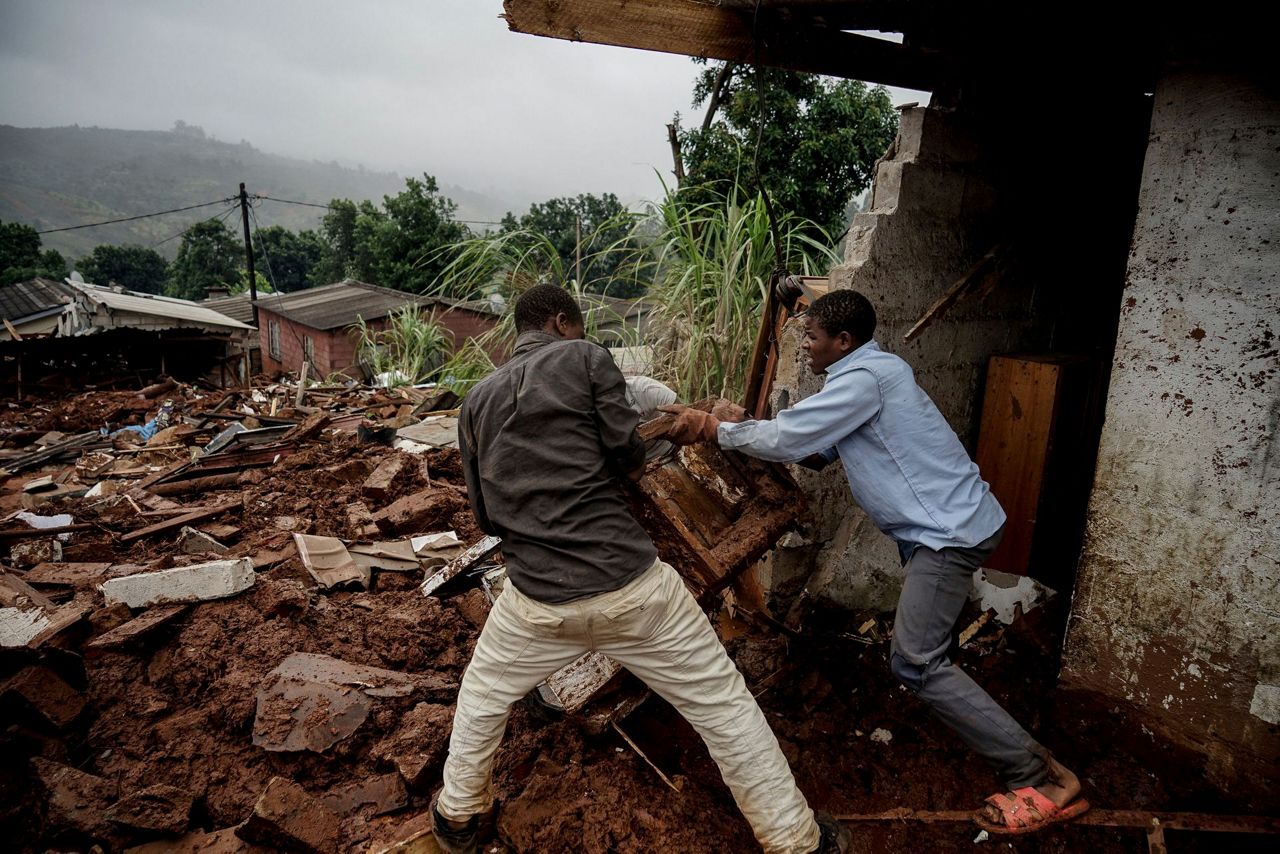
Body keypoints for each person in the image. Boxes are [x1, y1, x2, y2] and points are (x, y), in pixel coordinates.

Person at [655, 289, 1090, 835]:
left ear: (843, 341)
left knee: (914, 661)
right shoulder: (871, 375)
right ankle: (976, 715)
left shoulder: (864, 381)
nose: (806, 347)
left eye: (812, 337)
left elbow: (791, 437)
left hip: (946, 535)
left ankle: (1044, 777)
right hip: (956, 524)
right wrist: (744, 423)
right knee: (931, 649)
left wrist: (714, 429)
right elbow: (815, 451)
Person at [434, 284, 848, 854]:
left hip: (535, 602)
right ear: (562, 321)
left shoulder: (476, 401)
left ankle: (458, 817)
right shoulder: (584, 358)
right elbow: (627, 456)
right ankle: (797, 841)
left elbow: (485, 515)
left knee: (482, 696)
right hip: (633, 588)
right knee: (723, 706)